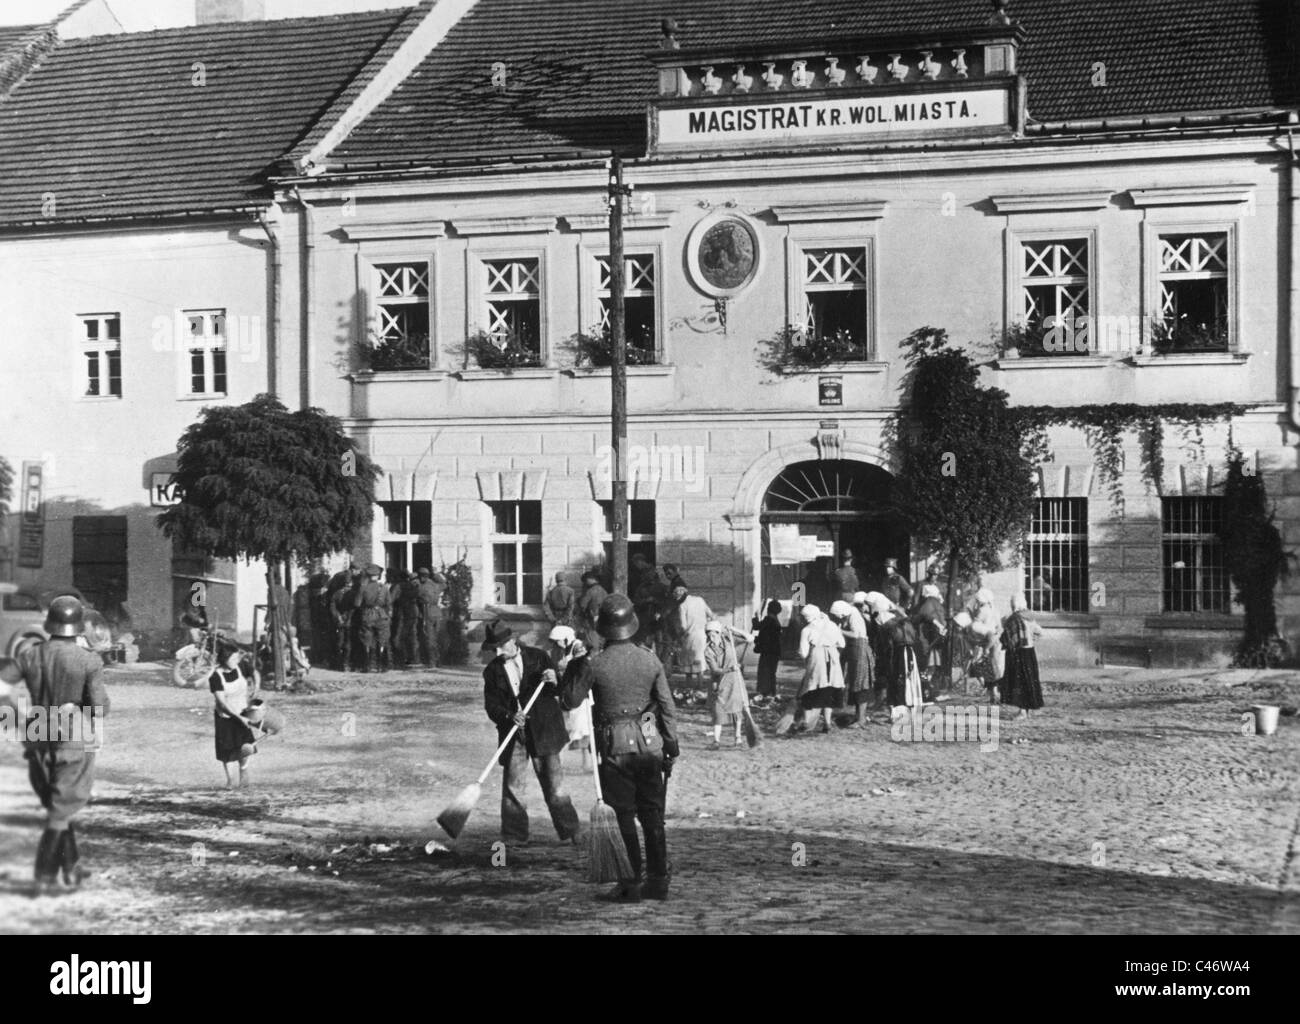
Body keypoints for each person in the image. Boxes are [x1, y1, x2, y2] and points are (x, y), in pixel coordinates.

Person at [561, 594, 678, 901]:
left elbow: (569, 700)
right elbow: (665, 706)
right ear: (631, 624)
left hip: (614, 743)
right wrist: (672, 746)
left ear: (603, 628)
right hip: (649, 735)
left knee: (624, 815)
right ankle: (659, 880)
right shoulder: (649, 658)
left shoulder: (595, 664)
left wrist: (577, 665)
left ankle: (631, 882)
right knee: (653, 815)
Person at [0, 595, 109, 896]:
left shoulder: (31, 654)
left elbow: (0, 690)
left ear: (50, 624)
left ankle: (71, 869)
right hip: (72, 734)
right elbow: (99, 707)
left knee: (57, 804)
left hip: (37, 731)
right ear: (78, 628)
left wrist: (18, 722)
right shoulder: (89, 660)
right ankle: (44, 875)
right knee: (60, 810)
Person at [481, 621, 580, 846]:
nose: (497, 652)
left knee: (554, 784)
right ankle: (514, 835)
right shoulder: (492, 671)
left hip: (543, 729)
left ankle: (572, 830)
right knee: (513, 786)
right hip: (514, 733)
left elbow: (559, 691)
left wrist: (555, 679)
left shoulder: (538, 657)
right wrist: (508, 716)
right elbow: (492, 706)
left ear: (512, 640)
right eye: (493, 648)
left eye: (500, 646)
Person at [209, 639, 258, 789]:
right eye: (233, 658)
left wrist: (256, 688)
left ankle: (243, 773)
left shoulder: (241, 666)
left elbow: (255, 673)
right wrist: (239, 718)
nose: (237, 661)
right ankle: (230, 781)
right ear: (225, 659)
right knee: (228, 751)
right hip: (226, 718)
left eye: (237, 658)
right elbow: (222, 703)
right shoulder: (215, 676)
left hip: (243, 711)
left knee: (246, 746)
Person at [544, 624, 593, 770]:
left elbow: (582, 666)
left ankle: (588, 763)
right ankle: (562, 761)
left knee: (583, 728)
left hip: (580, 695)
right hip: (570, 692)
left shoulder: (578, 647)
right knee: (569, 727)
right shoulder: (566, 650)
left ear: (566, 638)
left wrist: (565, 665)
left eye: (559, 640)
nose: (557, 644)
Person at [795, 604, 845, 734]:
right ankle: (827, 724)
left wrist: (804, 660)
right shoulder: (832, 625)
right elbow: (842, 643)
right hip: (833, 658)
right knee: (829, 689)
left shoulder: (806, 630)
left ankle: (806, 722)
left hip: (817, 657)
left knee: (809, 689)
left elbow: (803, 652)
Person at [703, 621, 748, 749]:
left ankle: (738, 738)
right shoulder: (708, 651)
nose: (712, 639)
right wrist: (730, 668)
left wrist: (734, 630)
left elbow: (749, 638)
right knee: (718, 710)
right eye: (709, 635)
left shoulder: (730, 640)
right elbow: (715, 670)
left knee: (736, 710)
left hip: (734, 681)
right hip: (719, 682)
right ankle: (716, 741)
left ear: (719, 633)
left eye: (713, 635)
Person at [1000, 593, 1045, 718]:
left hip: (1017, 653)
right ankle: (1028, 709)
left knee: (1018, 681)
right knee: (1029, 680)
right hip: (1029, 652)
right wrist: (1030, 639)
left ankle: (1022, 711)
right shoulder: (1029, 616)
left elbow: (1007, 638)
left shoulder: (1013, 618)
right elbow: (1040, 632)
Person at [830, 599, 873, 727]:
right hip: (853, 651)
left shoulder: (854, 616)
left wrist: (839, 630)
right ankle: (857, 716)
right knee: (855, 684)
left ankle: (861, 719)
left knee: (860, 684)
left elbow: (856, 634)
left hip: (860, 650)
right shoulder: (850, 613)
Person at [666, 580, 711, 690]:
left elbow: (683, 626)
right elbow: (710, 614)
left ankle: (690, 690)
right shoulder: (700, 600)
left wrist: (679, 637)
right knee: (699, 664)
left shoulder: (682, 606)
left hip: (689, 637)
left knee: (688, 666)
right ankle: (700, 689)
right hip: (702, 636)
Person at [967, 588, 1005, 703]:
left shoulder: (983, 611)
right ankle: (995, 694)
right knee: (995, 668)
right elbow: (999, 626)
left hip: (986, 642)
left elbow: (975, 625)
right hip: (996, 641)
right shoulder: (995, 610)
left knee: (984, 667)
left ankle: (992, 693)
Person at [910, 583, 948, 700]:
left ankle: (927, 692)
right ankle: (931, 691)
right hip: (938, 640)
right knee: (933, 666)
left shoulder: (926, 604)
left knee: (927, 666)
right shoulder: (938, 605)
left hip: (927, 640)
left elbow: (925, 617)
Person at [884, 613, 924, 720]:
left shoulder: (900, 632)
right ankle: (904, 710)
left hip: (903, 657)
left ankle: (901, 712)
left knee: (902, 682)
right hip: (904, 656)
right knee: (905, 683)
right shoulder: (906, 629)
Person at [355, 564, 392, 673]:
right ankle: (381, 667)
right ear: (377, 575)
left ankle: (367, 666)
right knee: (382, 640)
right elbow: (389, 603)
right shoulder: (384, 587)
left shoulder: (363, 587)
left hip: (367, 615)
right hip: (381, 615)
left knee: (367, 641)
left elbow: (357, 604)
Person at [330, 564, 363, 671]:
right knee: (350, 642)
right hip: (351, 620)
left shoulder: (336, 593)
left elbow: (332, 607)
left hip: (340, 620)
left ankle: (339, 663)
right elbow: (354, 607)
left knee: (339, 642)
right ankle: (347, 663)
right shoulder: (353, 594)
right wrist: (349, 618)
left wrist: (338, 617)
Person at [752, 599, 783, 705]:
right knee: (771, 672)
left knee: (763, 671)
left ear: (769, 609)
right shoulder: (776, 620)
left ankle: (763, 692)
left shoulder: (768, 619)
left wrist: (756, 617)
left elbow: (757, 627)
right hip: (774, 651)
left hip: (767, 651)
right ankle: (771, 692)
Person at [414, 567, 446, 667]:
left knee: (430, 638)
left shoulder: (419, 586)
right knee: (437, 638)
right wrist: (436, 573)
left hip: (427, 612)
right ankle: (439, 661)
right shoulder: (436, 585)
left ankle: (432, 662)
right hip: (437, 612)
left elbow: (416, 596)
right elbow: (444, 583)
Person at [576, 570, 608, 653]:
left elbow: (582, 604)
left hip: (591, 618)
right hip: (602, 617)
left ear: (590, 579)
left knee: (592, 638)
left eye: (585, 581)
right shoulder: (603, 590)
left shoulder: (590, 591)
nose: (585, 583)